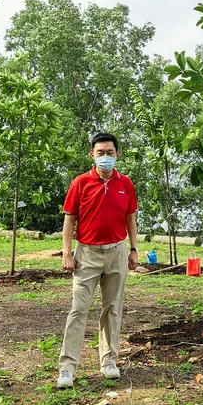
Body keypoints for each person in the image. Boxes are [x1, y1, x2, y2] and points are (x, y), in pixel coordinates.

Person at [57, 132, 139, 388]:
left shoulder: (125, 183)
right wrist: (67, 252)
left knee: (112, 309)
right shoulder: (80, 183)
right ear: (92, 155)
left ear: (117, 154)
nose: (105, 157)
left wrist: (134, 249)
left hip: (116, 252)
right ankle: (68, 368)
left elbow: (130, 218)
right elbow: (69, 219)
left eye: (110, 152)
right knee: (78, 309)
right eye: (100, 153)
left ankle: (109, 361)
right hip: (87, 254)